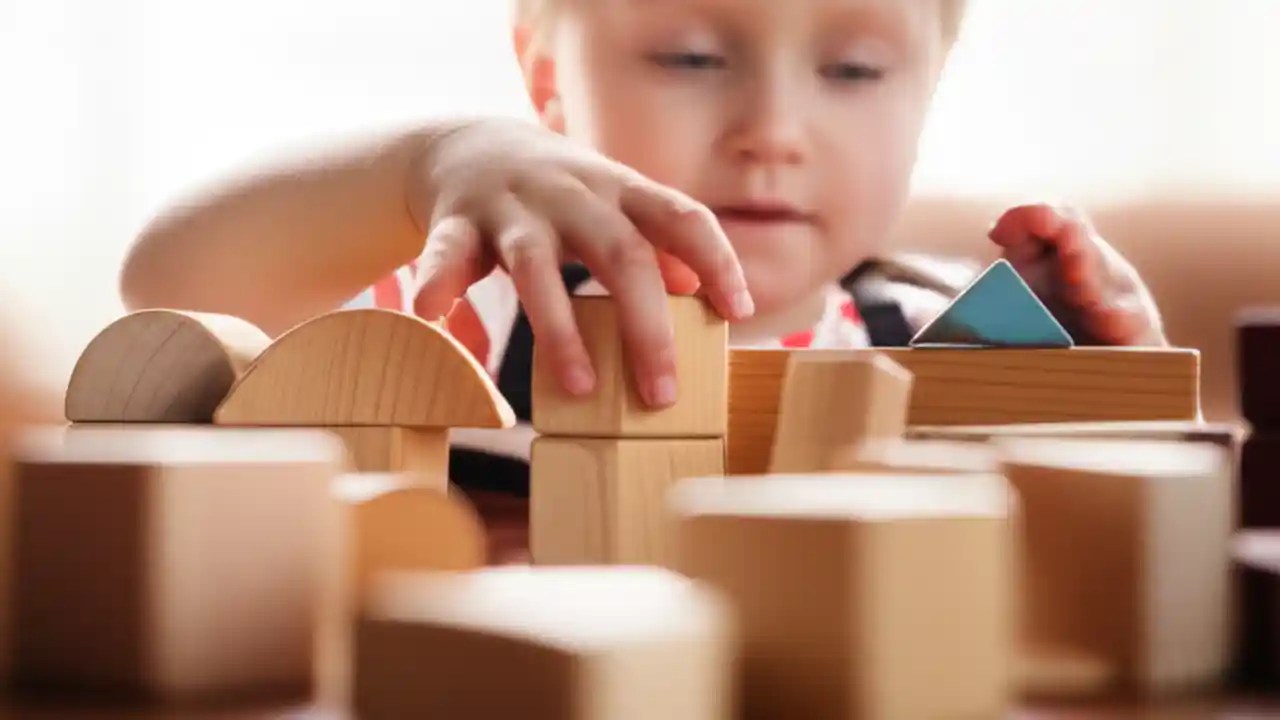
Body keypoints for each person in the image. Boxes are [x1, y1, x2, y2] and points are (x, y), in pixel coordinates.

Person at [119, 0, 1166, 561]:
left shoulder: (937, 336)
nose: (773, 132)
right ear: (545, 81)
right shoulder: (477, 310)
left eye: (852, 70)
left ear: (928, 94)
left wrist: (1116, 382)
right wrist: (423, 165)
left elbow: (1106, 555)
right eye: (692, 56)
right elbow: (168, 286)